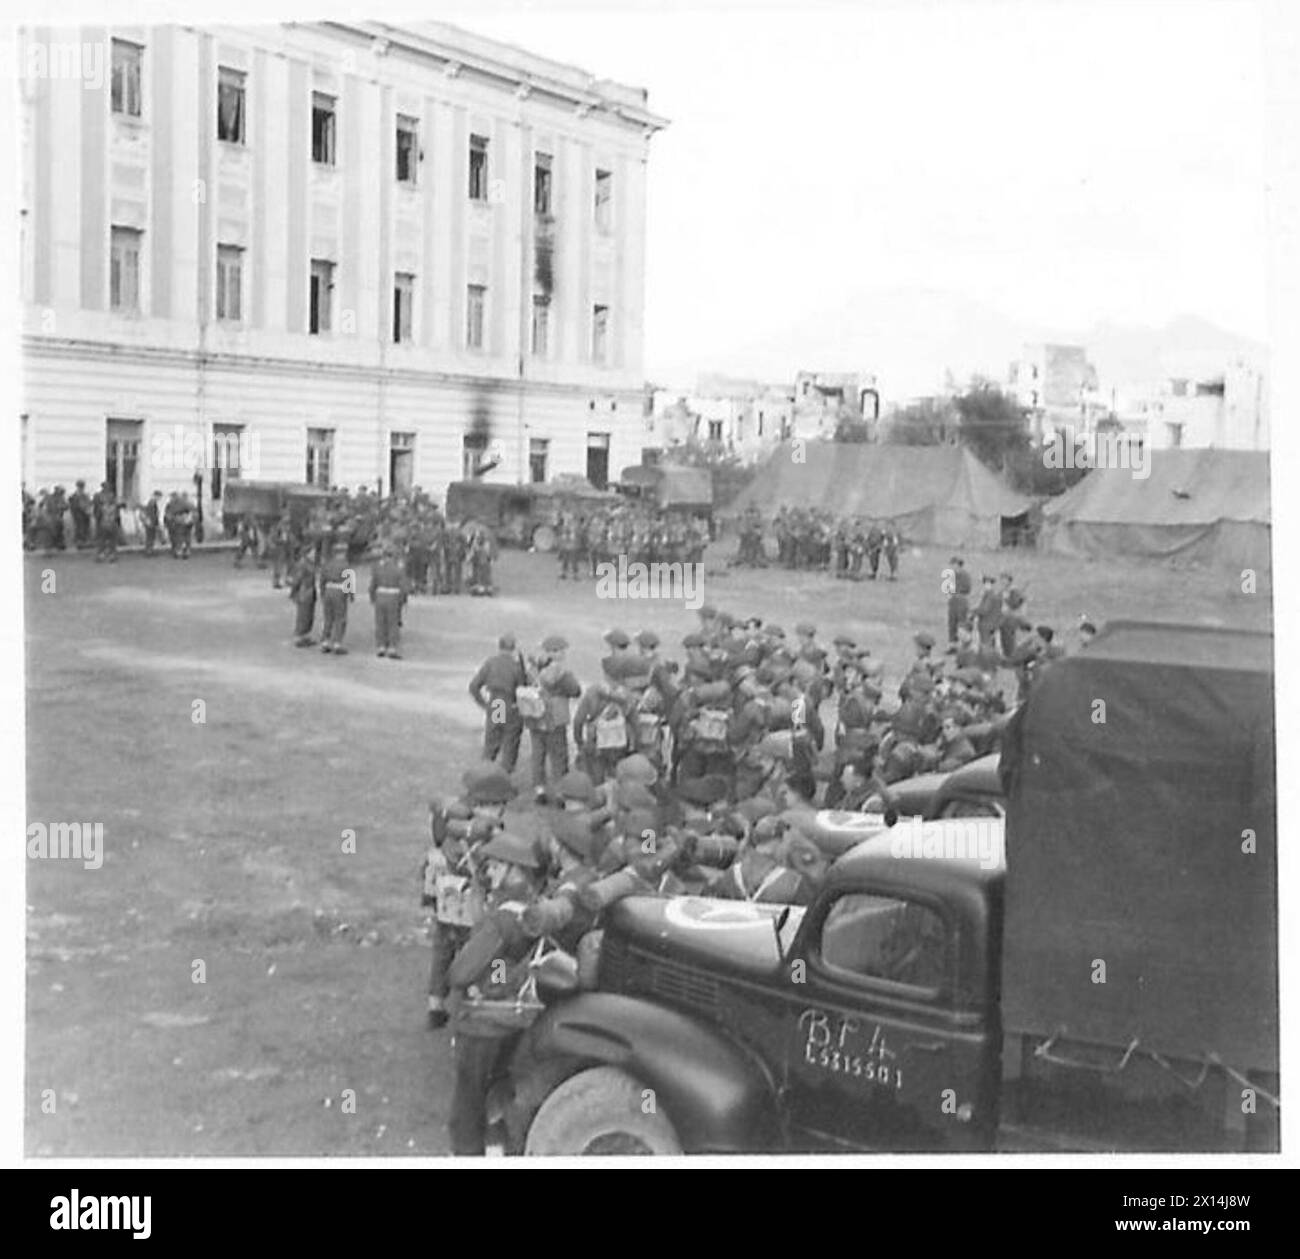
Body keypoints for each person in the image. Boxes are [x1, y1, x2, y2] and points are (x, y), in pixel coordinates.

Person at [445, 831, 548, 1156]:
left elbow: (460, 972)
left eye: (494, 866)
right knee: (497, 1095)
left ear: (511, 869)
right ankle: (497, 1152)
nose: (489, 872)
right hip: (511, 1016)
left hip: (483, 1021)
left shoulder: (502, 920)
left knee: (468, 1102)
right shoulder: (531, 907)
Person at [526, 635, 581, 803]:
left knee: (538, 755)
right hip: (555, 718)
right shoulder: (563, 673)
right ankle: (559, 792)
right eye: (562, 650)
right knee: (558, 756)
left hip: (535, 716)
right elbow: (575, 690)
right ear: (556, 653)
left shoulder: (533, 670)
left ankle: (539, 789)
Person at [468, 633, 527, 772]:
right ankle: (505, 777)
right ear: (513, 649)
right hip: (511, 705)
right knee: (510, 744)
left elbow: (474, 686)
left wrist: (484, 704)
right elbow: (523, 690)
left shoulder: (491, 663)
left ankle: (484, 774)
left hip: (496, 704)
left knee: (491, 743)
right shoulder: (516, 666)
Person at [370, 544, 409, 658]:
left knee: (380, 622)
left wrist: (373, 598)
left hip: (380, 596)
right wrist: (403, 600)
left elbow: (373, 585)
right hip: (393, 596)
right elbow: (403, 587)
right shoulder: (399, 569)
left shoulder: (377, 568)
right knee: (393, 623)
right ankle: (392, 647)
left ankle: (381, 646)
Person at [319, 542, 353, 654]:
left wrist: (323, 592)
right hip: (339, 591)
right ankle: (337, 643)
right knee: (340, 617)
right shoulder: (345, 565)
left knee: (328, 617)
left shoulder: (327, 564)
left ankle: (325, 641)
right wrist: (350, 595)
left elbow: (322, 580)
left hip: (328, 590)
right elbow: (349, 582)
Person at [288, 549, 318, 647]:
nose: (314, 554)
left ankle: (305, 635)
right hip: (304, 593)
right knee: (303, 616)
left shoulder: (310, 563)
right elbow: (297, 580)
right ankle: (299, 637)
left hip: (310, 592)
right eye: (312, 553)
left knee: (309, 615)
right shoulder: (303, 564)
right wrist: (294, 593)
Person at [947, 556, 972, 646]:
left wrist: (956, 592)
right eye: (952, 564)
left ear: (958, 565)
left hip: (961, 600)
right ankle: (952, 644)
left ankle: (962, 644)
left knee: (962, 622)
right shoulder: (951, 575)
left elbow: (967, 588)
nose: (952, 566)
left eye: (954, 564)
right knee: (952, 623)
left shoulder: (965, 575)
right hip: (953, 600)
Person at [92, 481, 119, 563]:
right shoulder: (111, 498)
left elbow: (96, 509)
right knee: (111, 540)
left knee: (102, 540)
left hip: (102, 522)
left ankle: (101, 555)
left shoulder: (98, 496)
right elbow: (116, 514)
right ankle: (111, 555)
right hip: (109, 523)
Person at [69, 481, 92, 549]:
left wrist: (87, 510)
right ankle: (79, 542)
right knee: (79, 528)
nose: (81, 487)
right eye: (80, 486)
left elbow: (88, 503)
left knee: (85, 527)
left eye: (82, 486)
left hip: (85, 514)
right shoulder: (74, 495)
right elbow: (73, 506)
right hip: (78, 514)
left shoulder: (85, 495)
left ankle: (84, 542)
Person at [140, 491, 163, 556]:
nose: (160, 499)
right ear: (156, 496)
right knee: (150, 537)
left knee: (150, 537)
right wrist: (155, 522)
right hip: (151, 522)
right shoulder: (152, 503)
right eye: (159, 497)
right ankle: (149, 551)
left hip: (150, 522)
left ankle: (149, 550)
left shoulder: (151, 502)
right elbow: (152, 514)